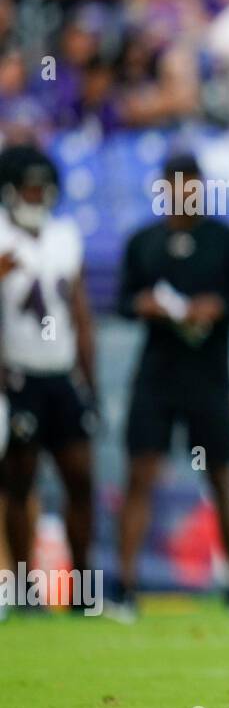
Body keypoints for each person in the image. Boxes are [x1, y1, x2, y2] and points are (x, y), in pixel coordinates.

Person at [114, 152, 229, 621]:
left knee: (223, 474)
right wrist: (145, 305)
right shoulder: (145, 241)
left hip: (209, 377)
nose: (185, 195)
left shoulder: (226, 241)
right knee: (140, 473)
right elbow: (121, 301)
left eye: (192, 186)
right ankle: (125, 587)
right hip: (158, 375)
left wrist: (217, 307)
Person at [0, 145, 96, 604]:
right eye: (29, 188)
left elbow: (80, 312)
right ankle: (25, 590)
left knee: (81, 479)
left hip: (61, 375)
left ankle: (82, 590)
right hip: (18, 376)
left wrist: (90, 380)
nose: (37, 196)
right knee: (20, 483)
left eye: (43, 188)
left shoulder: (64, 235)